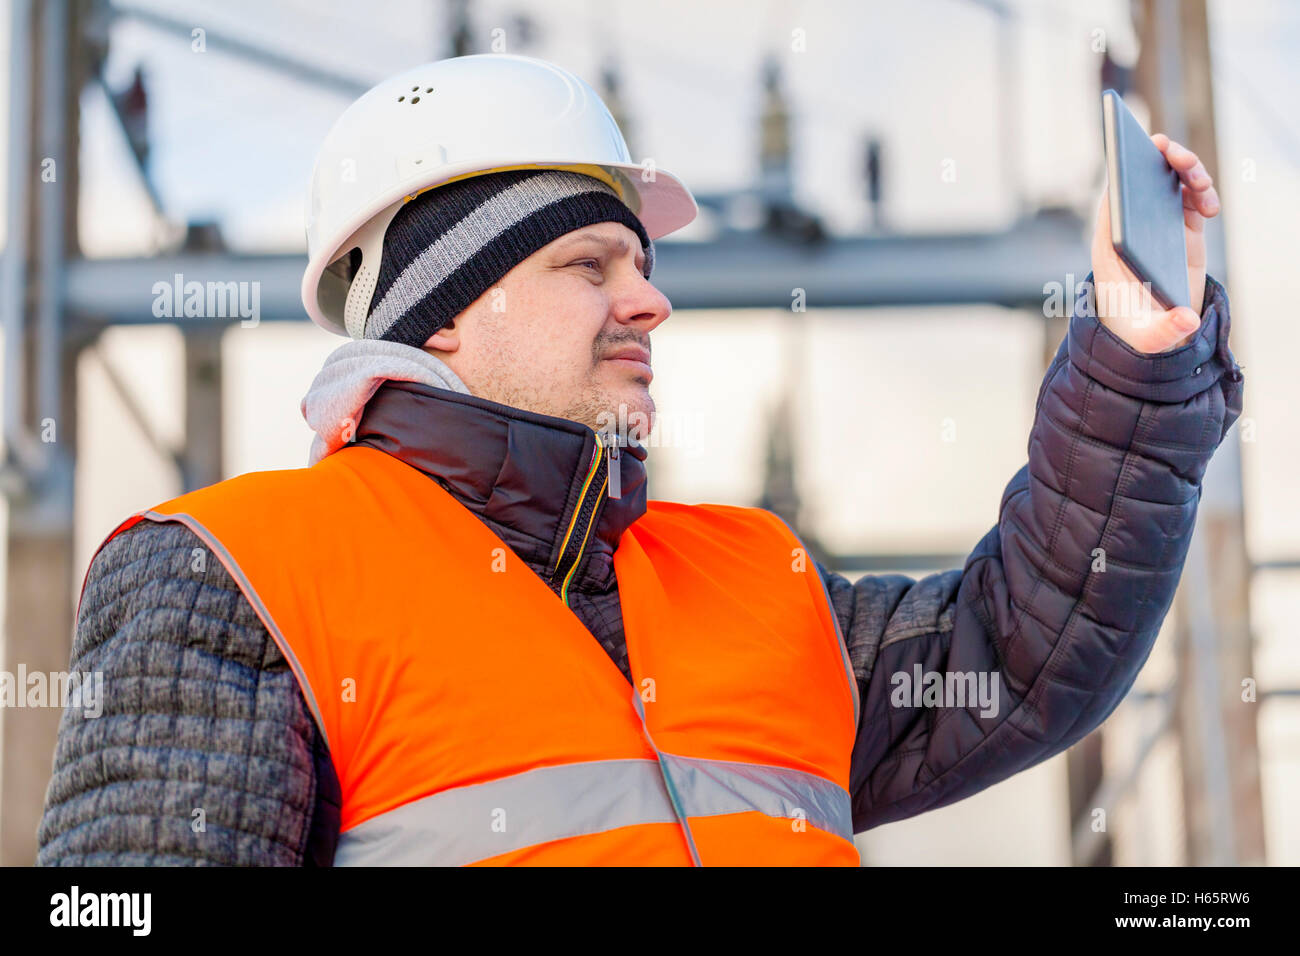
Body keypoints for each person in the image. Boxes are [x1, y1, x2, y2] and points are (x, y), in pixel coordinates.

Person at [38, 54, 1242, 866]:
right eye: (591, 265)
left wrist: (1141, 351)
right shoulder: (239, 576)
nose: (649, 300)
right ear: (447, 310)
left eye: (642, 265)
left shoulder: (754, 576)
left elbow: (1021, 645)